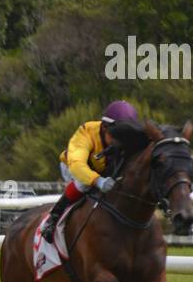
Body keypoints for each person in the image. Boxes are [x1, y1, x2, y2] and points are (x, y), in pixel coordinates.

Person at [40, 99, 140, 242]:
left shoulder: (122, 138)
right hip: (74, 167)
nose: (123, 140)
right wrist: (98, 181)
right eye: (118, 135)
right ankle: (53, 218)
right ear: (105, 127)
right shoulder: (86, 132)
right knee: (83, 184)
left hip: (104, 168)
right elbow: (77, 165)